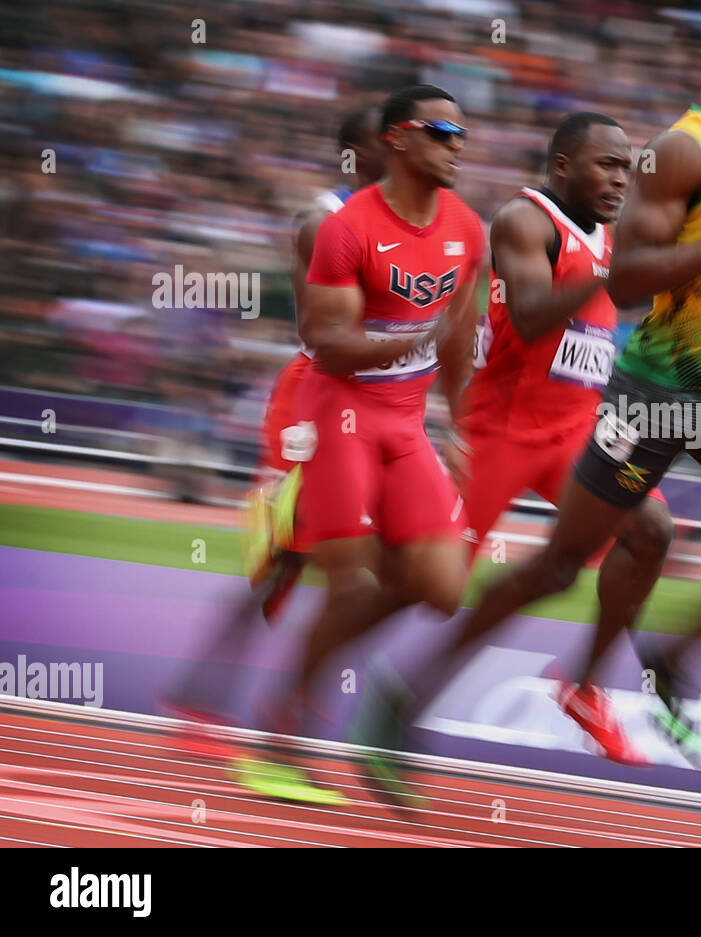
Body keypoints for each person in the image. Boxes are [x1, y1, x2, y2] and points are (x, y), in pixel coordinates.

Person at [409, 19, 701, 760]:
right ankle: (410, 695)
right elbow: (626, 280)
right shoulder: (679, 153)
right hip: (655, 393)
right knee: (558, 566)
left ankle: (676, 656)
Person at [359, 113, 674, 770]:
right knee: (422, 586)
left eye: (628, 167)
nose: (622, 178)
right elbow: (530, 316)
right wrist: (619, 276)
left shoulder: (612, 236)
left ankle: (585, 688)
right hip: (498, 433)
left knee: (650, 529)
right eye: (607, 165)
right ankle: (338, 657)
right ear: (563, 167)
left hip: (574, 432)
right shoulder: (522, 221)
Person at [236, 85, 485, 803]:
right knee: (355, 583)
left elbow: (462, 335)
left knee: (439, 586)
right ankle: (284, 733)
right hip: (338, 410)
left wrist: (461, 422)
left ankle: (323, 650)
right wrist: (415, 337)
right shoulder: (346, 227)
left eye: (464, 134)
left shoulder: (468, 227)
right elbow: (328, 344)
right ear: (399, 140)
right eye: (443, 132)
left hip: (404, 421)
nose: (458, 146)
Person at [162, 106, 386, 756]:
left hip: (370, 405)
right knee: (281, 563)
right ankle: (209, 701)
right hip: (312, 403)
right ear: (353, 153)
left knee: (351, 565)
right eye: (385, 143)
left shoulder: (401, 218)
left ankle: (277, 706)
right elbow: (324, 330)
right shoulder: (325, 217)